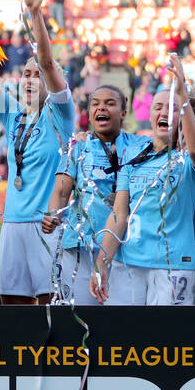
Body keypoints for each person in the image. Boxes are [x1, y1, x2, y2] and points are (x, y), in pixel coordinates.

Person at [0, 0, 75, 304]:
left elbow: (45, 60)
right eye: (25, 74)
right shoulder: (13, 114)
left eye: (36, 75)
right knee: (12, 307)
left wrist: (34, 11)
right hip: (13, 222)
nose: (30, 78)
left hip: (48, 223)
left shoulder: (61, 114)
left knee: (49, 306)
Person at [91, 55, 195, 305]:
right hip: (129, 263)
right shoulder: (133, 156)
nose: (163, 112)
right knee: (124, 338)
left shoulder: (189, 157)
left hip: (173, 265)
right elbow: (118, 215)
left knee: (167, 340)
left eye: (172, 108)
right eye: (158, 107)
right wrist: (102, 262)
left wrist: (183, 96)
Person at [43, 85, 140, 305]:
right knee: (77, 322)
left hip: (122, 251)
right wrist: (53, 215)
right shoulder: (77, 146)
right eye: (95, 104)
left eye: (109, 103)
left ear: (124, 112)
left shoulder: (140, 147)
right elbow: (60, 190)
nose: (101, 108)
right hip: (79, 251)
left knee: (116, 327)